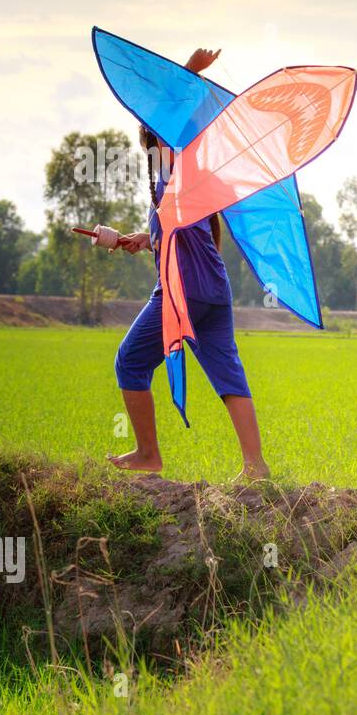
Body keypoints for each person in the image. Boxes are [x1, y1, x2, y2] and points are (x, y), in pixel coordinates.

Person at [109, 48, 269, 481]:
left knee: (130, 362)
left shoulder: (179, 169)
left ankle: (148, 454)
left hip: (182, 292)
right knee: (228, 375)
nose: (158, 140)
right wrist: (140, 240)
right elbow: (178, 233)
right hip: (213, 291)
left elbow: (172, 116)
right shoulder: (185, 185)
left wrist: (187, 72)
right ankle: (255, 466)